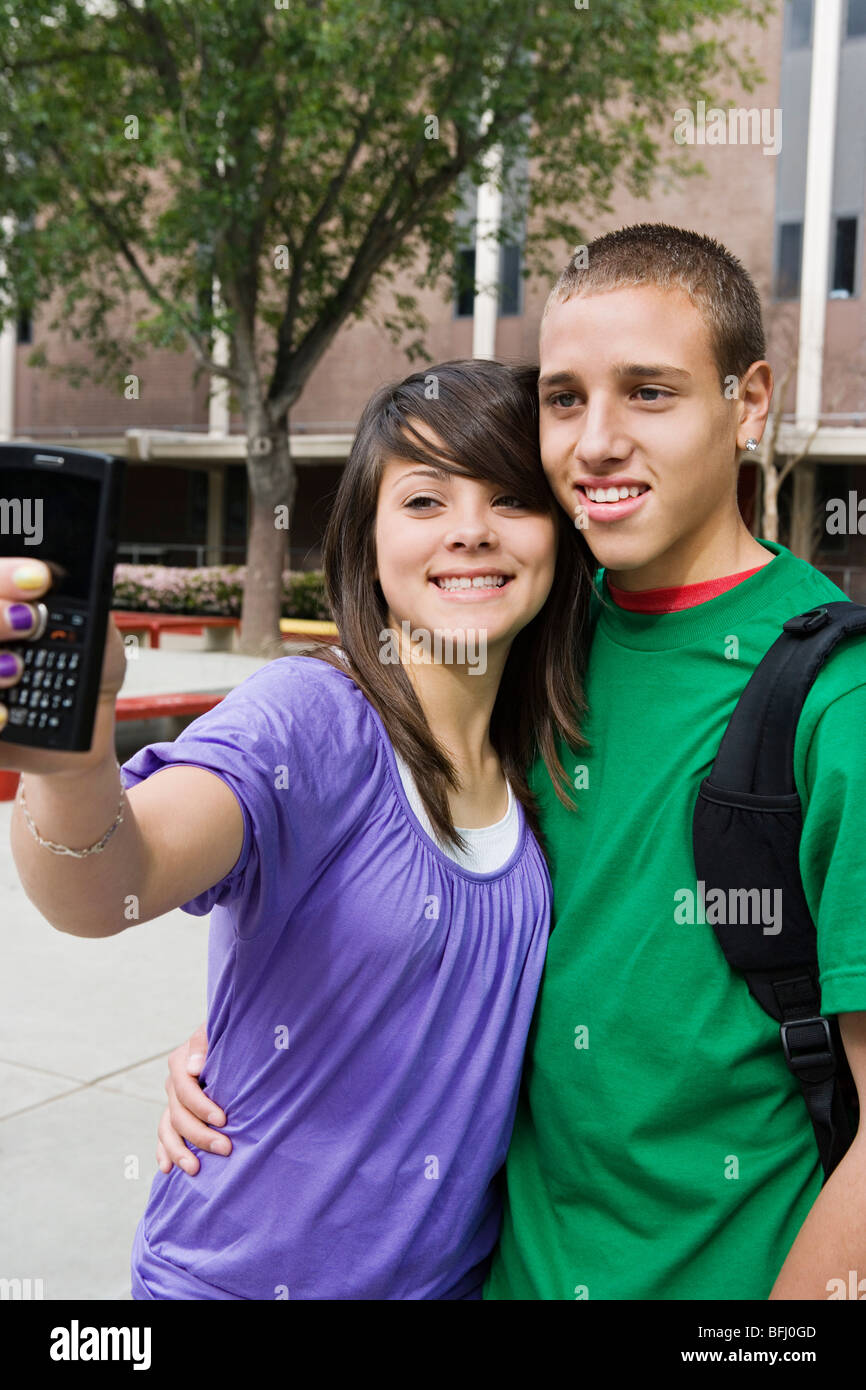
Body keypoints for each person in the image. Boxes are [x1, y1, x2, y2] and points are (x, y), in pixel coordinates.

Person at [162, 224, 866, 1301]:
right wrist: (249, 1040)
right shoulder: (533, 633)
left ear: (748, 402)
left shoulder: (832, 695)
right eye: (564, 398)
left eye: (649, 393)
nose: (596, 441)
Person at [5, 358, 593, 1300]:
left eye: (512, 498)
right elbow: (111, 883)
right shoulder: (308, 718)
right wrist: (72, 760)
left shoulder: (548, 756)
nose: (471, 530)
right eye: (425, 500)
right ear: (367, 538)